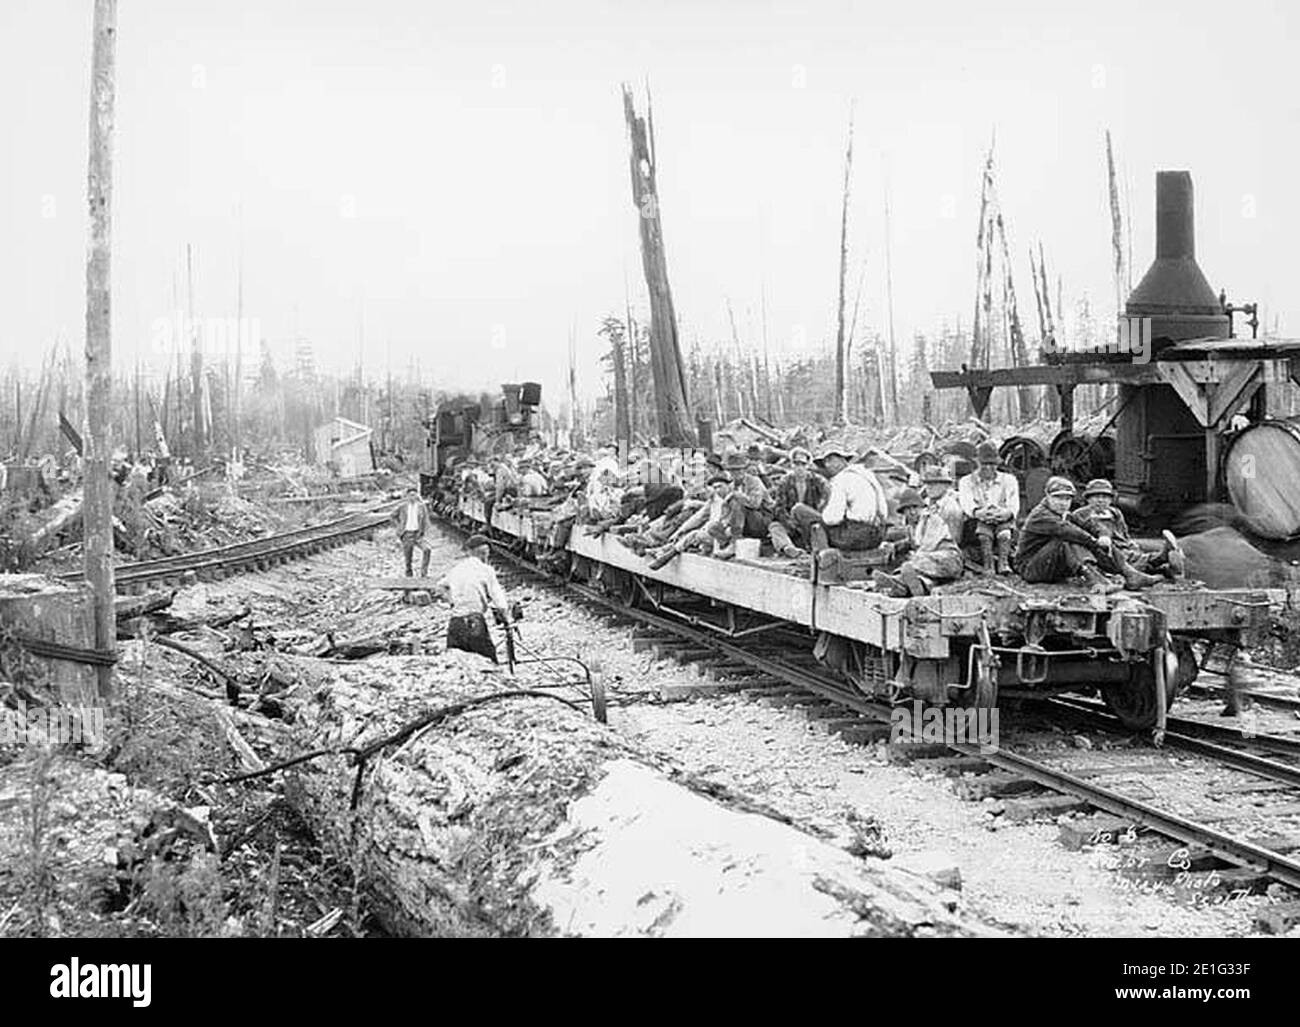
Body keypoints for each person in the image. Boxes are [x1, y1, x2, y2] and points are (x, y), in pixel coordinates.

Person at [1016, 476, 1160, 591]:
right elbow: (1070, 531)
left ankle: (1130, 573)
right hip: (1031, 568)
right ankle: (1094, 578)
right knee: (1067, 540)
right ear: (1047, 496)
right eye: (1058, 498)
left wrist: (1104, 536)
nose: (1063, 503)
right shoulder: (1041, 515)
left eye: (1067, 499)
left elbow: (1089, 525)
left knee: (1090, 540)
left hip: (1051, 566)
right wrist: (1095, 542)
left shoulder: (1064, 513)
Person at [1070, 478, 1185, 580]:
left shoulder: (1115, 513)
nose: (1100, 500)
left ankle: (1168, 567)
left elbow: (1124, 534)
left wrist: (1130, 544)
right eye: (1096, 497)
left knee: (1135, 555)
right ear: (1088, 499)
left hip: (1122, 546)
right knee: (1127, 560)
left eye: (1104, 497)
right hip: (1105, 549)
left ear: (1110, 499)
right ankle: (1162, 559)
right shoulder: (1081, 514)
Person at [788, 443, 888, 553]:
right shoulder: (867, 475)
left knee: (800, 510)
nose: (827, 465)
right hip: (877, 535)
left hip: (854, 536)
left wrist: (821, 515)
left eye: (830, 460)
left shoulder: (841, 480)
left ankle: (823, 557)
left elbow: (832, 518)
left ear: (841, 459)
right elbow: (883, 512)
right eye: (826, 462)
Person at [871, 487, 965, 597]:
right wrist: (896, 547)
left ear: (921, 507)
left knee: (911, 565)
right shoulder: (913, 527)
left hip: (948, 560)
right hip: (931, 568)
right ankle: (907, 588)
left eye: (915, 507)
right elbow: (912, 542)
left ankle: (897, 579)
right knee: (923, 578)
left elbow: (926, 547)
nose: (912, 512)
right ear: (903, 512)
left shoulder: (931, 520)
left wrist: (907, 563)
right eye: (908, 509)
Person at [434, 534, 512, 662]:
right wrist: (507, 620)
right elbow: (500, 601)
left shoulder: (457, 569)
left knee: (457, 663)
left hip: (455, 623)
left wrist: (452, 601)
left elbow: (440, 586)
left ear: (470, 552)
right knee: (488, 661)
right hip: (474, 622)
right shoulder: (486, 570)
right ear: (485, 553)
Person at [957, 441, 1020, 574]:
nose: (988, 468)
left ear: (997, 464)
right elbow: (966, 502)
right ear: (977, 463)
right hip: (977, 520)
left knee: (1005, 533)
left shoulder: (1009, 480)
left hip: (1002, 518)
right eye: (984, 464)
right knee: (984, 535)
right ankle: (988, 563)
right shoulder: (966, 481)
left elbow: (1013, 502)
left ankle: (1004, 563)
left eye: (992, 464)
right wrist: (977, 512)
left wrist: (1006, 513)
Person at [768, 446, 830, 557]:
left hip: (812, 522)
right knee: (775, 526)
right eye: (796, 464)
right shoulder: (785, 481)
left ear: (808, 466)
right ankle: (788, 548)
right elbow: (779, 507)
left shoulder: (818, 481)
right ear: (792, 465)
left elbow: (828, 500)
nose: (799, 468)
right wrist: (789, 522)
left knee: (799, 509)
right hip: (792, 523)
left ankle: (812, 547)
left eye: (803, 464)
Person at [390, 487, 433, 577]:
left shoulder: (421, 507)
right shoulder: (402, 507)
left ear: (417, 495)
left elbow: (426, 520)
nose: (412, 497)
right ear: (407, 496)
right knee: (408, 557)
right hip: (407, 534)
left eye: (414, 495)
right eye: (410, 495)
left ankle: (424, 573)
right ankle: (409, 574)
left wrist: (424, 532)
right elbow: (392, 516)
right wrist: (399, 527)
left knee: (427, 549)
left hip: (418, 534)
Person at [922, 465, 965, 546]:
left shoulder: (950, 507)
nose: (929, 487)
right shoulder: (927, 505)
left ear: (946, 485)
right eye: (927, 483)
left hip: (945, 550)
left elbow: (954, 538)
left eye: (934, 483)